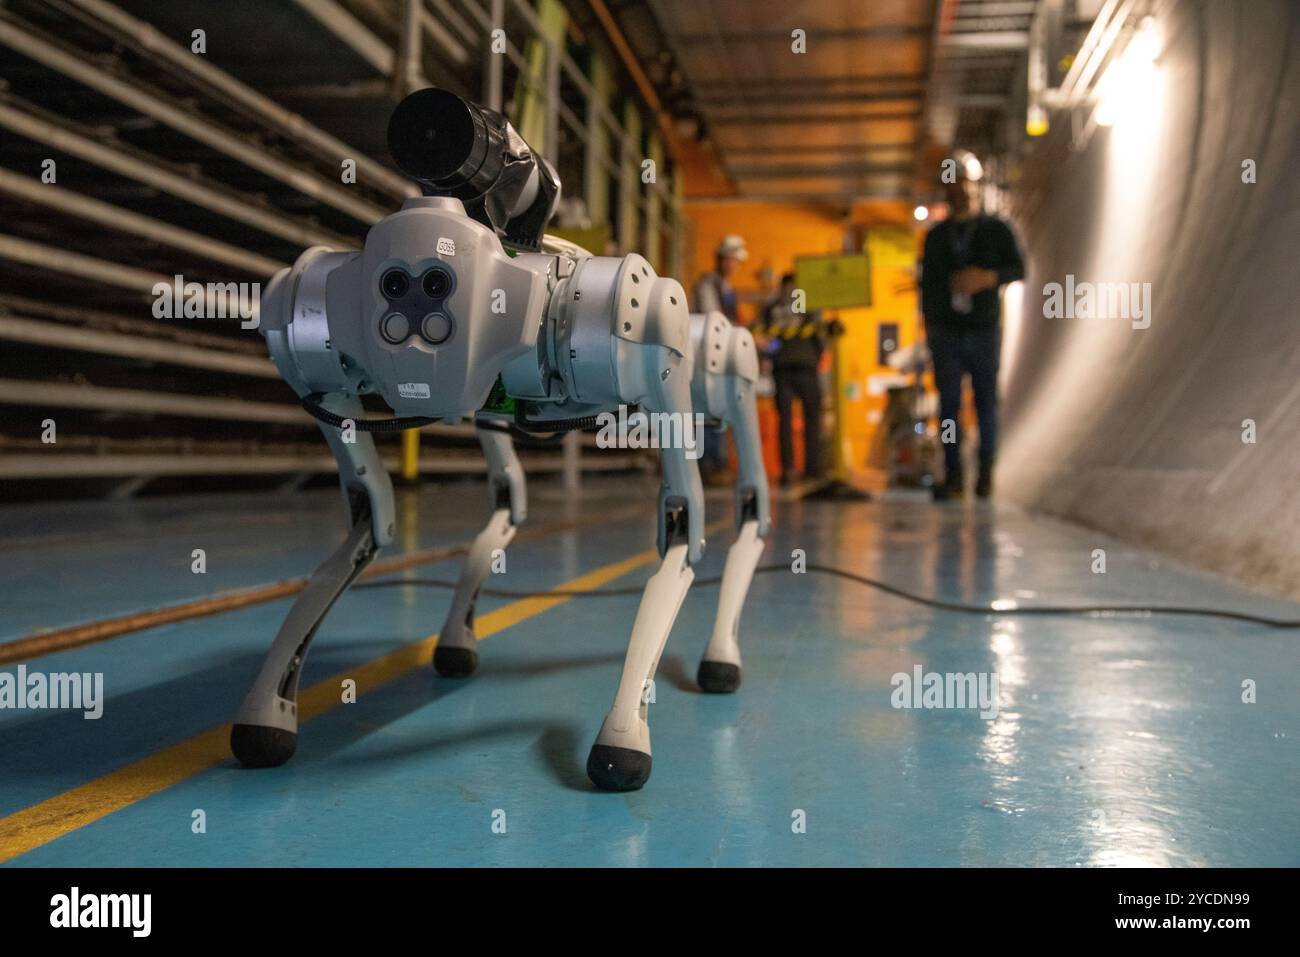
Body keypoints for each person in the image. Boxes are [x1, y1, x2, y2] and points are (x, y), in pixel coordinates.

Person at [920, 151, 1024, 500]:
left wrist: (987, 278)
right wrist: (932, 328)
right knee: (948, 407)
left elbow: (1018, 268)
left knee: (985, 404)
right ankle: (953, 475)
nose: (961, 189)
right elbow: (927, 287)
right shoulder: (937, 238)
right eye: (954, 183)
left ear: (977, 187)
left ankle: (985, 475)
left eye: (966, 182)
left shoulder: (997, 229)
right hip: (946, 332)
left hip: (983, 330)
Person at [751, 272, 827, 485]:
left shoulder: (771, 308)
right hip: (799, 367)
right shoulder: (806, 306)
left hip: (786, 367)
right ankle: (809, 469)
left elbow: (763, 336)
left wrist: (768, 355)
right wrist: (817, 356)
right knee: (807, 419)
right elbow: (819, 336)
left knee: (791, 421)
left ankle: (793, 470)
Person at [693, 235, 747, 481]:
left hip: (720, 357)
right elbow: (713, 321)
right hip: (704, 357)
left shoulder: (727, 289)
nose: (733, 265)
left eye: (736, 260)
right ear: (721, 259)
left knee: (718, 410)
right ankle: (707, 465)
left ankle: (716, 463)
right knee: (706, 410)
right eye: (730, 259)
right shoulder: (708, 285)